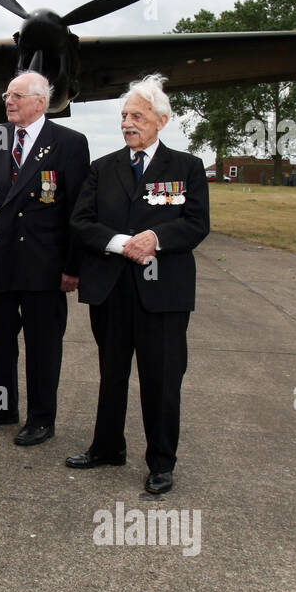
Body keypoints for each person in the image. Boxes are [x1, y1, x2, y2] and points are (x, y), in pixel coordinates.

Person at [66, 74, 209, 495]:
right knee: (111, 373)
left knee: (161, 379)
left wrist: (157, 238)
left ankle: (161, 462)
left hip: (162, 295)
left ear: (161, 120)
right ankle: (107, 447)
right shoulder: (102, 168)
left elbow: (196, 223)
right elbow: (81, 222)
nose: (129, 122)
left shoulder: (186, 167)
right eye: (125, 115)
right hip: (111, 290)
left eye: (138, 115)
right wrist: (119, 243)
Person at [0, 71, 89, 447]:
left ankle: (41, 417)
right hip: (0, 262)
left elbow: (78, 210)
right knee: (0, 341)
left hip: (45, 267)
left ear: (41, 102)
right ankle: (2, 406)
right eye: (8, 94)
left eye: (18, 96)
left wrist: (73, 266)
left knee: (43, 345)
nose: (10, 101)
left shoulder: (69, 143)